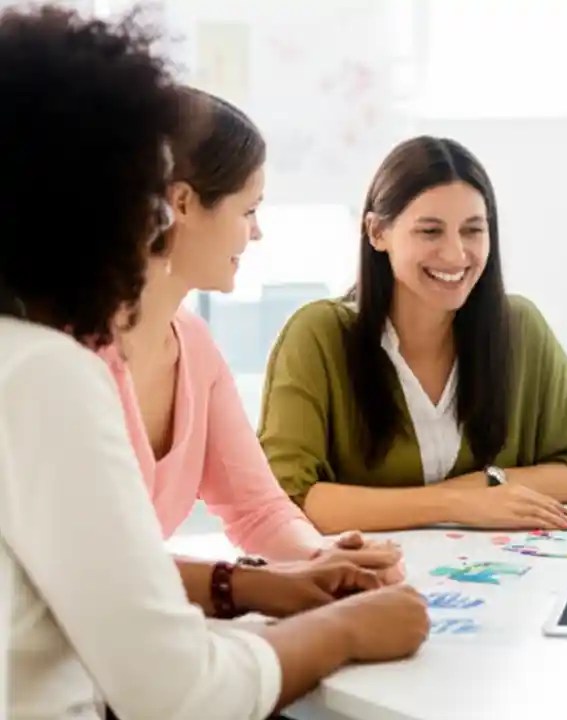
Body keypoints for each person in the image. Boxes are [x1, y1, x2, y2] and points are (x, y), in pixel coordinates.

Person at [0, 7, 428, 719]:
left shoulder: (52, 354)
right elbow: (182, 695)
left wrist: (290, 574)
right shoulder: (45, 373)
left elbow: (241, 514)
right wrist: (344, 627)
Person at [101, 86, 401, 577]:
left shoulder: (194, 347)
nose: (256, 233)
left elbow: (257, 509)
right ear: (183, 203)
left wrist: (328, 560)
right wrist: (261, 586)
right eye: (248, 210)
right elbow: (99, 565)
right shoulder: (68, 357)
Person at [259, 136, 567, 533]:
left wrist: (486, 484)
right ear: (377, 233)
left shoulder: (519, 328)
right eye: (430, 232)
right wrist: (453, 502)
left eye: (472, 231)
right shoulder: (318, 335)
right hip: (369, 584)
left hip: (502, 582)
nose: (455, 254)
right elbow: (285, 498)